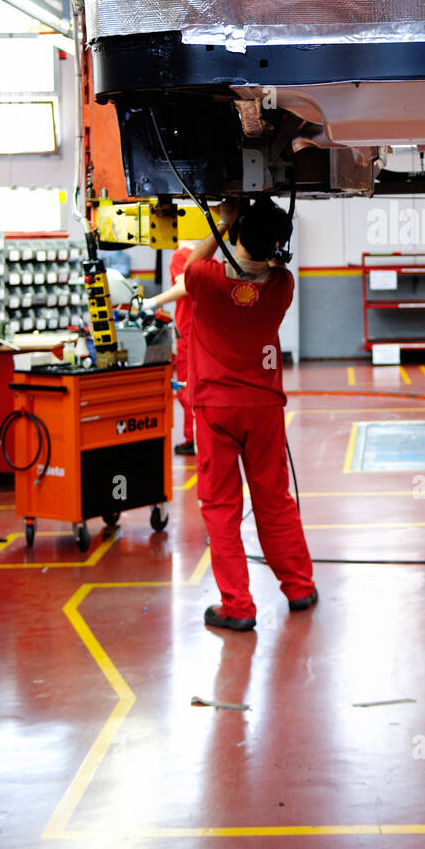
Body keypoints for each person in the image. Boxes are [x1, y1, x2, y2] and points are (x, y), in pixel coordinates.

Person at [178, 197, 316, 631]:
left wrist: (225, 218)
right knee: (274, 500)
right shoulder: (282, 286)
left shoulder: (204, 278)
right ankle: (298, 586)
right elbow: (268, 269)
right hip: (263, 411)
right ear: (275, 247)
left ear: (234, 236)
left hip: (215, 410)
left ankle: (237, 606)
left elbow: (191, 263)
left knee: (220, 507)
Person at [144, 241, 198, 455]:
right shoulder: (209, 255)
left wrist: (151, 302)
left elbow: (183, 287)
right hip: (206, 330)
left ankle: (191, 438)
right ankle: (200, 435)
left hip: (188, 331)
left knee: (186, 386)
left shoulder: (180, 255)